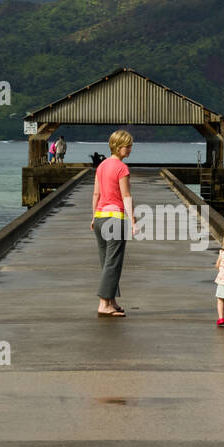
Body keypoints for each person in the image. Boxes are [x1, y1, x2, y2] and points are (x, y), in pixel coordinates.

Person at [91, 129, 137, 317]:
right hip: (115, 219)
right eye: (128, 146)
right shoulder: (121, 168)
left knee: (106, 262)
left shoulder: (101, 166)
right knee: (113, 263)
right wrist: (133, 220)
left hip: (101, 218)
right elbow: (126, 196)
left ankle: (112, 301)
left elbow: (96, 194)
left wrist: (93, 216)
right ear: (118, 147)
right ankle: (104, 304)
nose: (130, 150)